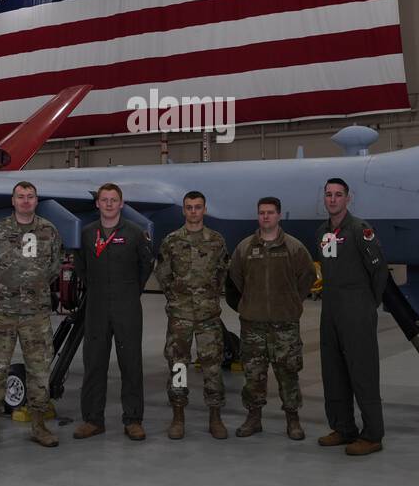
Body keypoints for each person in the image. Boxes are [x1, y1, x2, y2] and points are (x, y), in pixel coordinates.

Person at [0, 181, 64, 450]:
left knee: (39, 371)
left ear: (37, 201)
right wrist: (5, 290)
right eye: (20, 196)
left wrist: (32, 290)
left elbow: (55, 266)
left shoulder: (49, 230)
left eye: (30, 196)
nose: (25, 201)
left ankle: (38, 426)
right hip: (2, 313)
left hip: (36, 314)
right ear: (13, 201)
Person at [227, 197, 316, 440]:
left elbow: (308, 276)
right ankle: (253, 418)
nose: (265, 216)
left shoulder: (294, 248)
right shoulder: (245, 248)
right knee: (253, 375)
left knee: (288, 373)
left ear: (279, 215)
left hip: (284, 325)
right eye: (261, 212)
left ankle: (293, 420)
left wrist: (291, 301)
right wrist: (250, 304)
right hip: (252, 324)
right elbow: (235, 277)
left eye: (270, 212)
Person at [72, 183, 153, 441]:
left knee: (131, 364)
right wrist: (97, 289)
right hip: (96, 307)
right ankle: (93, 420)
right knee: (94, 363)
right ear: (97, 203)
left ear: (121, 203)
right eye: (104, 199)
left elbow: (145, 267)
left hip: (127, 307)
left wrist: (129, 291)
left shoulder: (135, 233)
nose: (108, 204)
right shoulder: (86, 234)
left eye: (113, 200)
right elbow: (81, 267)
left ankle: (133, 420)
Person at [314, 178, 389, 456]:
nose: (333, 199)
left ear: (348, 198)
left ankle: (372, 435)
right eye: (328, 195)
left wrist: (368, 303)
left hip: (357, 309)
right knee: (333, 371)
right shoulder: (322, 232)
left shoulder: (361, 230)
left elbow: (380, 270)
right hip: (330, 309)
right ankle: (343, 427)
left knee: (363, 372)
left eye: (338, 195)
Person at [154, 191, 230, 440]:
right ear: (183, 211)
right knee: (178, 366)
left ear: (204, 209)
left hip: (208, 316)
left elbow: (222, 274)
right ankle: (178, 415)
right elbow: (163, 275)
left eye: (198, 207)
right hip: (181, 316)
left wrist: (208, 298)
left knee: (212, 366)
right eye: (189, 207)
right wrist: (178, 300)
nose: (194, 212)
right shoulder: (172, 241)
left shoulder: (216, 241)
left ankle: (215, 416)